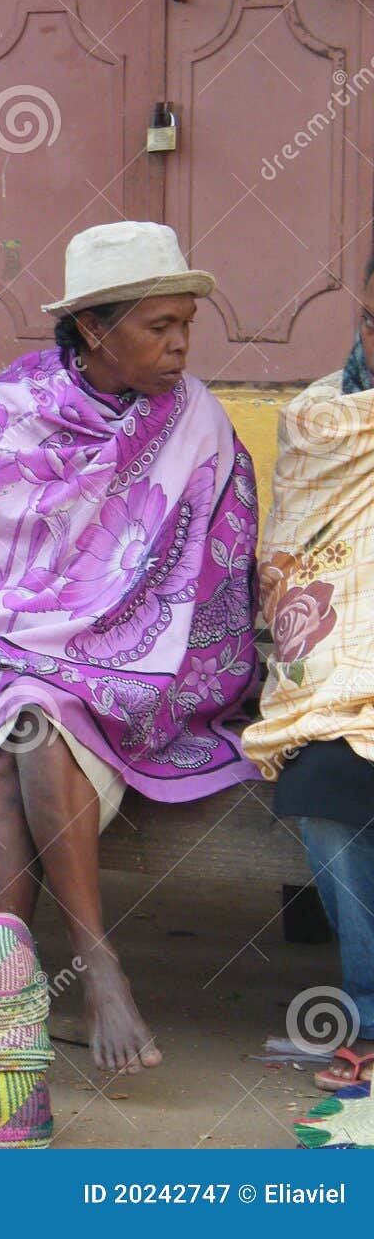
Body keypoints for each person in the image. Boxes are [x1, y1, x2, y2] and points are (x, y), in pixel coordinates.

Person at [0, 221, 261, 1074]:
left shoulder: (197, 423)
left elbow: (210, 576)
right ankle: (91, 965)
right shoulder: (5, 412)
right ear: (94, 328)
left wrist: (83, 654)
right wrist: (30, 650)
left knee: (27, 729)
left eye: (186, 324)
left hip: (130, 672)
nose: (181, 344)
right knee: (26, 716)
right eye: (159, 326)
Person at [244, 250, 374, 1092]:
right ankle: (370, 1010)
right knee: (327, 783)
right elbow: (302, 569)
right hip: (342, 673)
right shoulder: (320, 423)